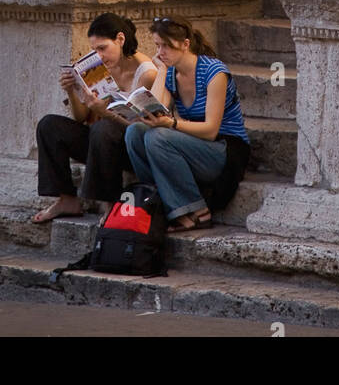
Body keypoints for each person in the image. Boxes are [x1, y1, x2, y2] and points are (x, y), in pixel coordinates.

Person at [33, 12, 164, 223]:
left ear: (120, 39)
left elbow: (144, 127)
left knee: (103, 128)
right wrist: (72, 91)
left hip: (131, 149)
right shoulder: (99, 67)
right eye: (95, 50)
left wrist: (104, 113)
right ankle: (67, 199)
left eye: (103, 48)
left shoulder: (147, 73)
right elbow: (80, 118)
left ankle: (109, 203)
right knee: (49, 125)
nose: (99, 56)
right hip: (100, 143)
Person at [124, 15, 250, 230]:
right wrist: (162, 71)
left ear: (185, 44)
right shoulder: (171, 71)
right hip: (192, 143)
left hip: (224, 149)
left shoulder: (214, 72)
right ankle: (159, 198)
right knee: (135, 132)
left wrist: (171, 124)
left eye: (166, 46)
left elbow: (211, 130)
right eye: (157, 46)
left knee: (157, 136)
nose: (160, 52)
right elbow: (155, 106)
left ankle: (195, 210)